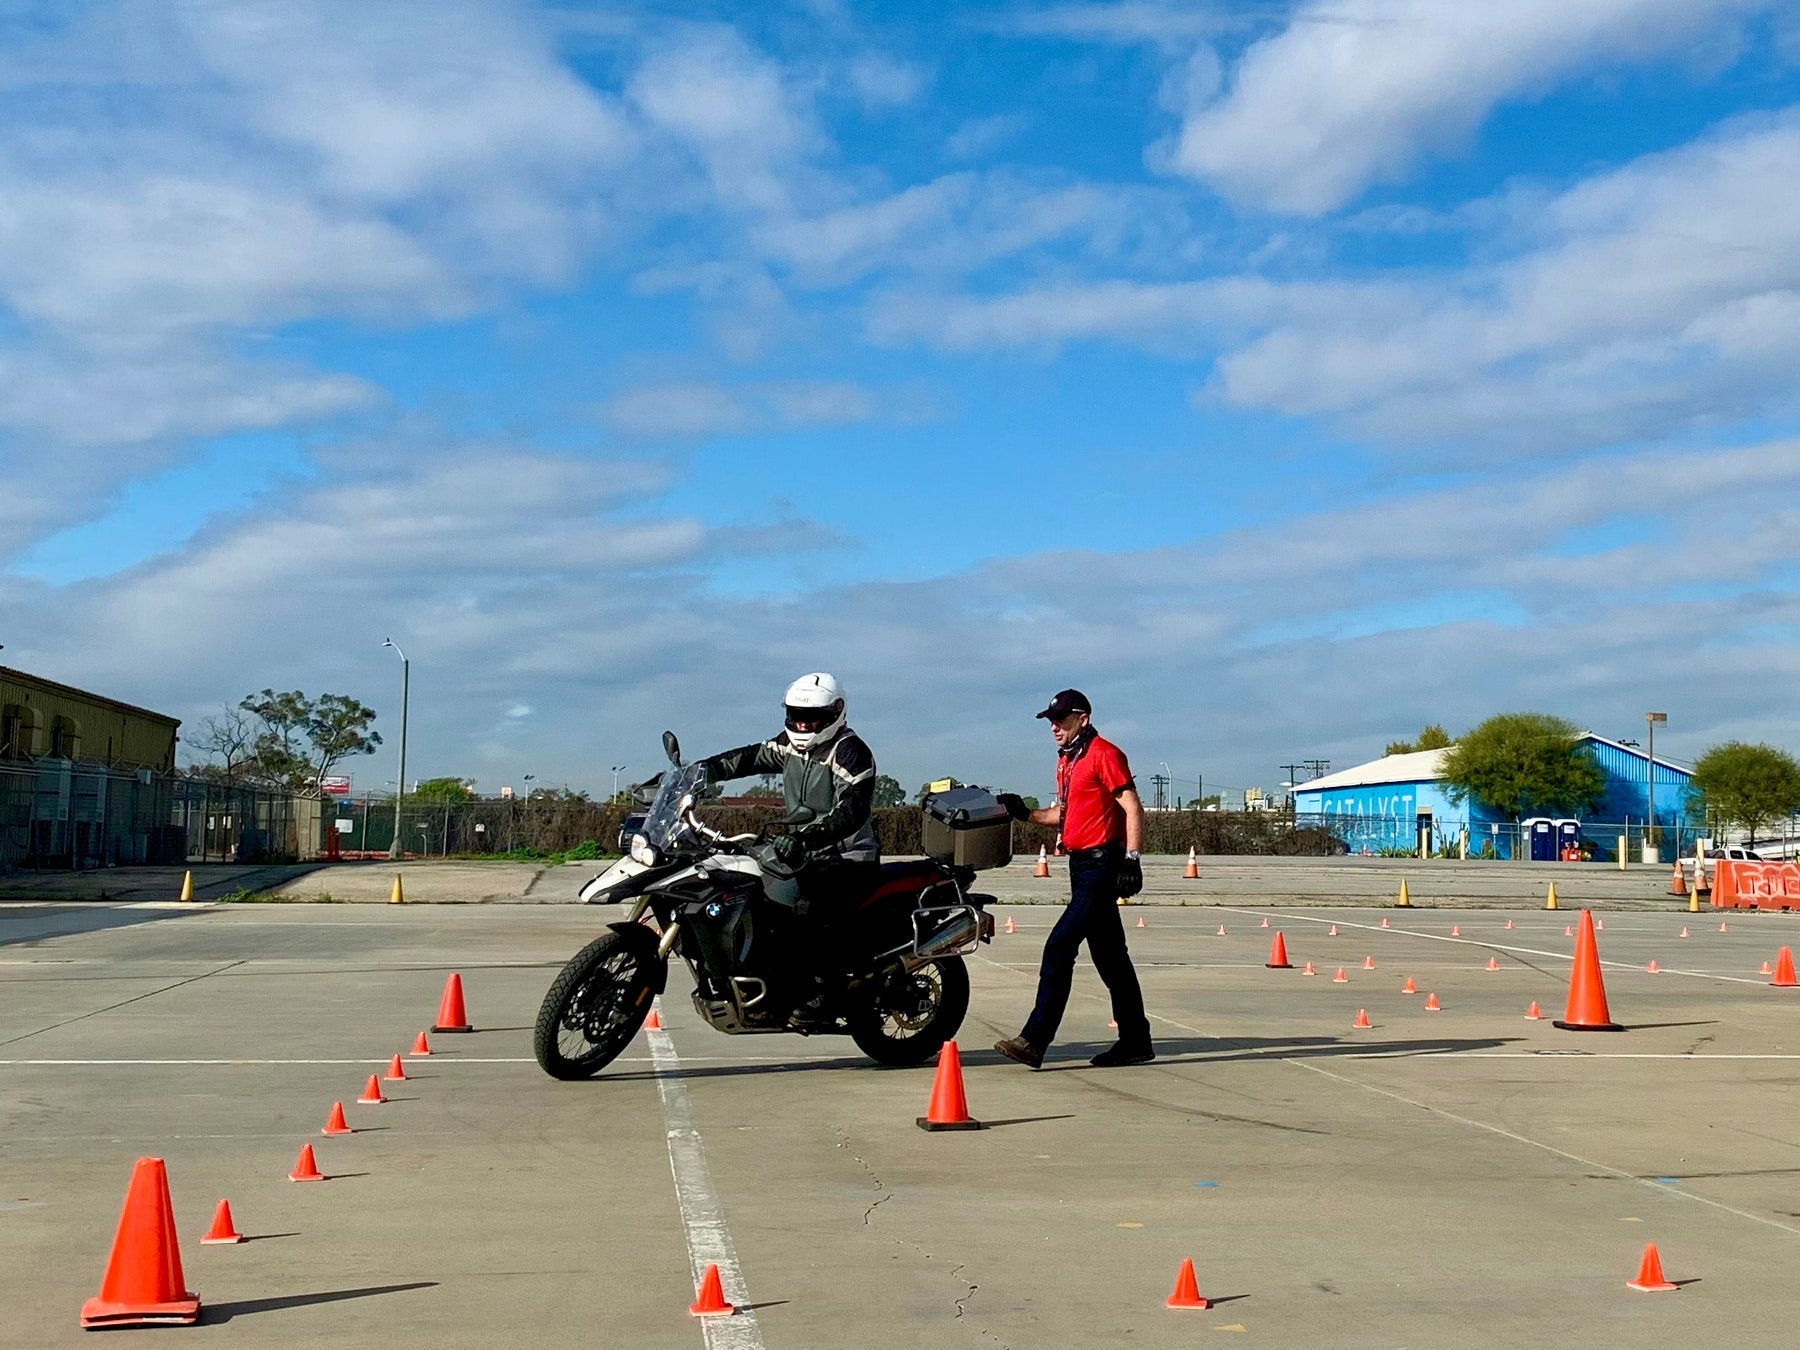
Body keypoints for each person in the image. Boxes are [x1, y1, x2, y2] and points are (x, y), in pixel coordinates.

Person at [699, 673, 879, 1019]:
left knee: (804, 907)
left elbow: (852, 809)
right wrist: (698, 774)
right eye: (795, 714)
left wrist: (807, 838)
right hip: (797, 850)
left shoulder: (850, 752)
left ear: (835, 712)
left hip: (846, 856)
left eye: (810, 716)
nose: (802, 723)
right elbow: (747, 758)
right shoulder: (789, 744)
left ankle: (821, 990)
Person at [993, 689, 1154, 1068]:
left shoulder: (1104, 754)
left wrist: (1132, 859)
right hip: (1080, 865)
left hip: (1102, 865)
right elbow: (1063, 817)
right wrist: (1025, 814)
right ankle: (1136, 1040)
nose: (1054, 727)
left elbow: (1133, 808)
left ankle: (1034, 1040)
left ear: (1082, 719)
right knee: (1111, 958)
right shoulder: (1068, 760)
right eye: (1051, 721)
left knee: (1059, 946)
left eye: (1062, 720)